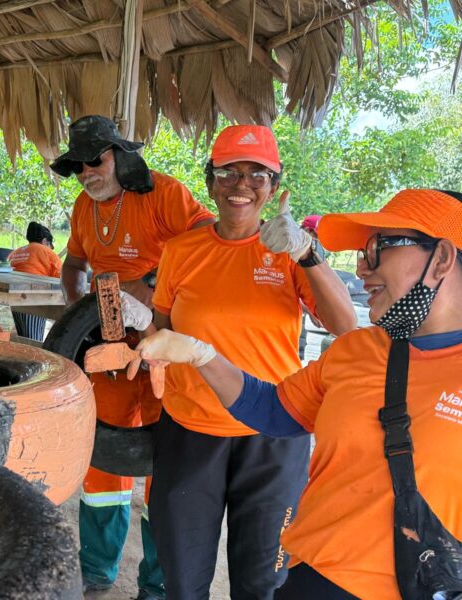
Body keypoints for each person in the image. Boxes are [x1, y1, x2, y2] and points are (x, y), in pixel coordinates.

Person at [133, 188, 462, 599]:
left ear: (443, 259)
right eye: (362, 252)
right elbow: (275, 411)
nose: (361, 268)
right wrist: (202, 355)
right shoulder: (357, 351)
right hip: (307, 581)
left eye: (377, 249)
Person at [137, 124, 357, 599]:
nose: (242, 184)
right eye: (228, 172)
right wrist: (136, 334)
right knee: (183, 581)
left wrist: (307, 253)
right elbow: (161, 330)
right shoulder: (181, 252)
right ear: (211, 182)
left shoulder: (288, 251)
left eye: (257, 174)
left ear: (275, 187)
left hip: (273, 435)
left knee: (263, 584)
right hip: (190, 430)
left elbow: (345, 325)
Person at [50, 114, 215, 599]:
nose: (85, 172)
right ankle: (98, 569)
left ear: (120, 155)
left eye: (93, 160)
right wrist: (74, 316)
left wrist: (151, 288)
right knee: (102, 458)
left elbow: (210, 238)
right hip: (107, 342)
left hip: (169, 340)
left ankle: (158, 581)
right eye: (76, 166)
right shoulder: (84, 206)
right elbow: (74, 264)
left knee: (168, 465)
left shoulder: (165, 193)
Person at [7, 222, 62, 340]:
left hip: (12, 299)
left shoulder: (16, 252)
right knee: (33, 339)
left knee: (22, 337)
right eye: (50, 244)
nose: (51, 248)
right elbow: (61, 278)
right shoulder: (48, 252)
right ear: (44, 241)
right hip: (34, 300)